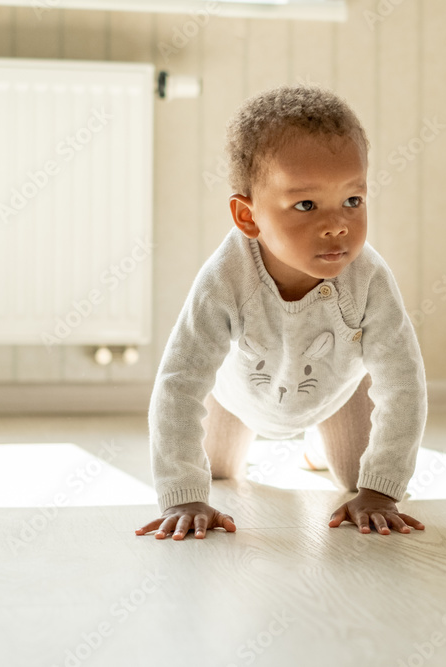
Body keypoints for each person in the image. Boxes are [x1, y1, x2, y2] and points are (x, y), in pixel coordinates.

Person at [135, 85, 427, 541]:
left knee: (354, 481)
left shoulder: (368, 278)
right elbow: (179, 382)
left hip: (337, 394)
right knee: (217, 475)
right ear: (248, 217)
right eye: (306, 205)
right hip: (237, 397)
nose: (337, 224)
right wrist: (182, 495)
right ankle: (265, 445)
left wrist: (382, 489)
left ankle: (316, 443)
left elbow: (403, 382)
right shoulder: (224, 279)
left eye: (353, 200)